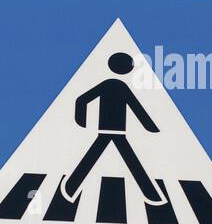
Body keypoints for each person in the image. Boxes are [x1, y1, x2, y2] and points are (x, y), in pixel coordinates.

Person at [60, 52, 166, 205]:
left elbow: (82, 100)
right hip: (113, 131)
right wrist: (150, 127)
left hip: (111, 132)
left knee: (106, 159)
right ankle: (152, 194)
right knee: (130, 162)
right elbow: (137, 108)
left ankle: (70, 188)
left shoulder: (110, 85)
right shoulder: (118, 86)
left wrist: (82, 120)